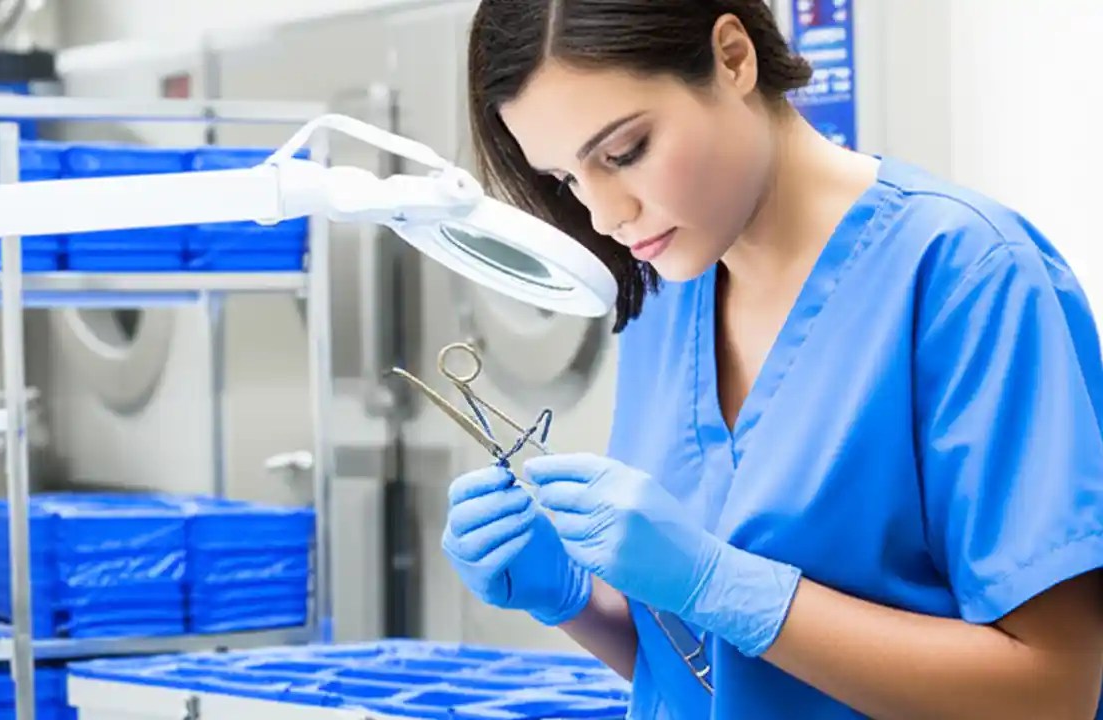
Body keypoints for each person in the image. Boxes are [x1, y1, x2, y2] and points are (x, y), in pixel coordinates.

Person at [441, 1, 1103, 718]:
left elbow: (1055, 692)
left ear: (732, 57)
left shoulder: (967, 277)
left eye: (625, 153)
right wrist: (575, 599)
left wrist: (721, 582)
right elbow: (718, 676)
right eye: (566, 180)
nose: (605, 216)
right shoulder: (666, 292)